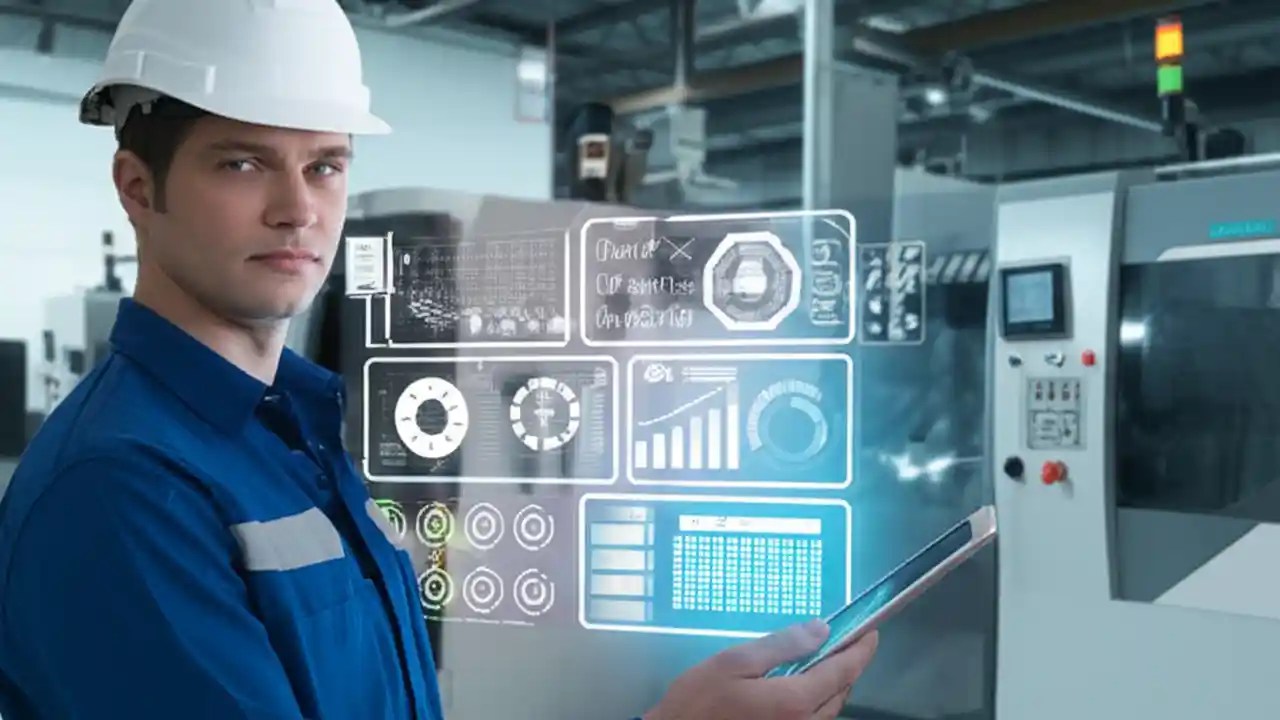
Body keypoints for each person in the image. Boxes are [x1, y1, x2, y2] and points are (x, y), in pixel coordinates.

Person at [0, 1, 879, 718]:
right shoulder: (122, 490)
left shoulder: (295, 438)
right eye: (242, 163)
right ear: (137, 188)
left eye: (326, 167)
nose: (297, 210)